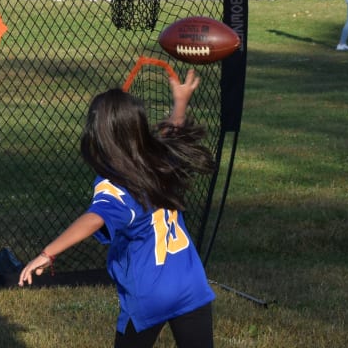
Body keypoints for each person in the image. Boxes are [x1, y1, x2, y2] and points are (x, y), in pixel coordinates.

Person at [18, 70, 216, 347]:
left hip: (149, 293)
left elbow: (94, 218)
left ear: (99, 136)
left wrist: (47, 254)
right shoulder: (158, 159)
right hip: (190, 285)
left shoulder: (116, 184)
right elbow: (172, 133)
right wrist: (180, 102)